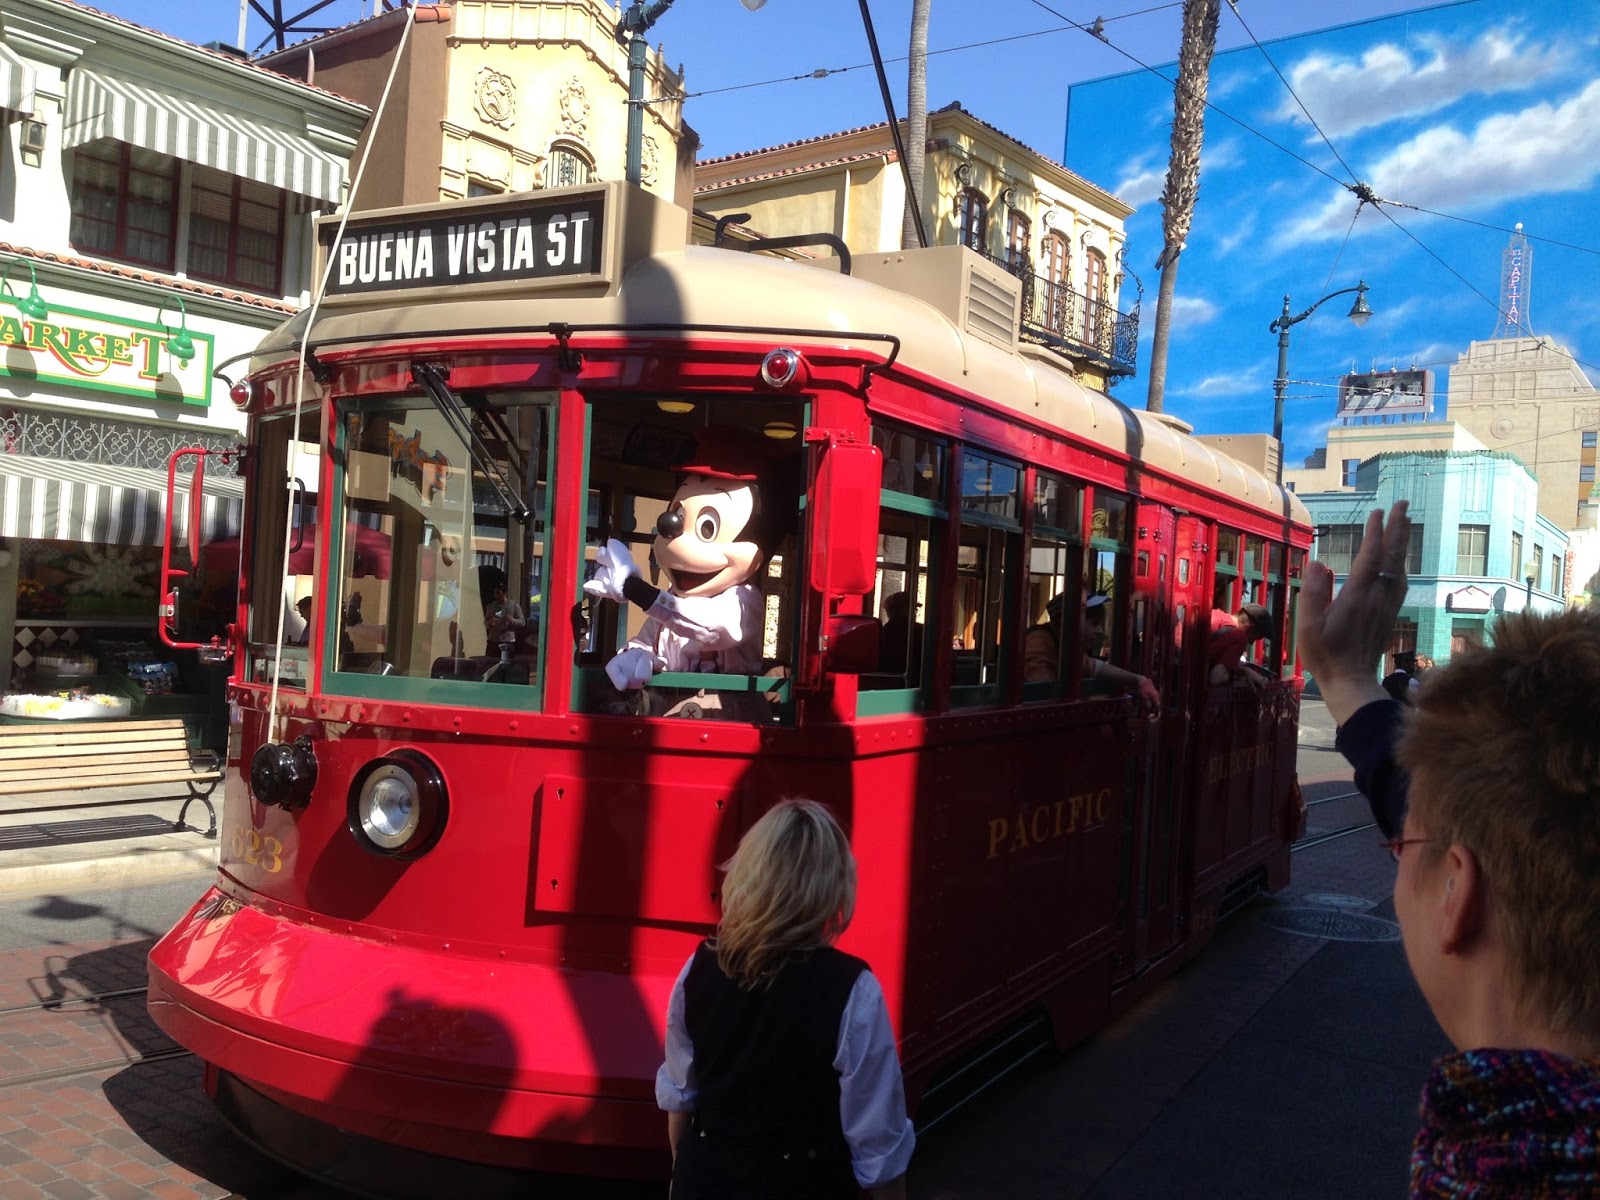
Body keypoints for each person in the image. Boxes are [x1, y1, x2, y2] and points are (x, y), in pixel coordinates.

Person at [1297, 499, 1600, 1197]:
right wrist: (1350, 684)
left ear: (1457, 892)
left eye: (1406, 840)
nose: (1396, 840)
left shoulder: (1506, 1170)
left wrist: (1345, 677)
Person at [656, 799, 915, 1199]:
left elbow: (681, 1101)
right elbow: (879, 1149)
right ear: (831, 886)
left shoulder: (698, 968)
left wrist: (684, 1178)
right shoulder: (853, 990)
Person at [1025, 592, 1160, 714]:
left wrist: (1139, 680)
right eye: (1094, 624)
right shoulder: (1039, 643)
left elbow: (1097, 667)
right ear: (1070, 622)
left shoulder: (1061, 644)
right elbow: (1042, 694)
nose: (1100, 631)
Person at [1208, 602, 1272, 687]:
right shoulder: (1240, 636)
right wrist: (1235, 673)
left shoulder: (1216, 614)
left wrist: (1243, 669)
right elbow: (1216, 678)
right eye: (1255, 637)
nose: (1251, 643)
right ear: (1251, 628)